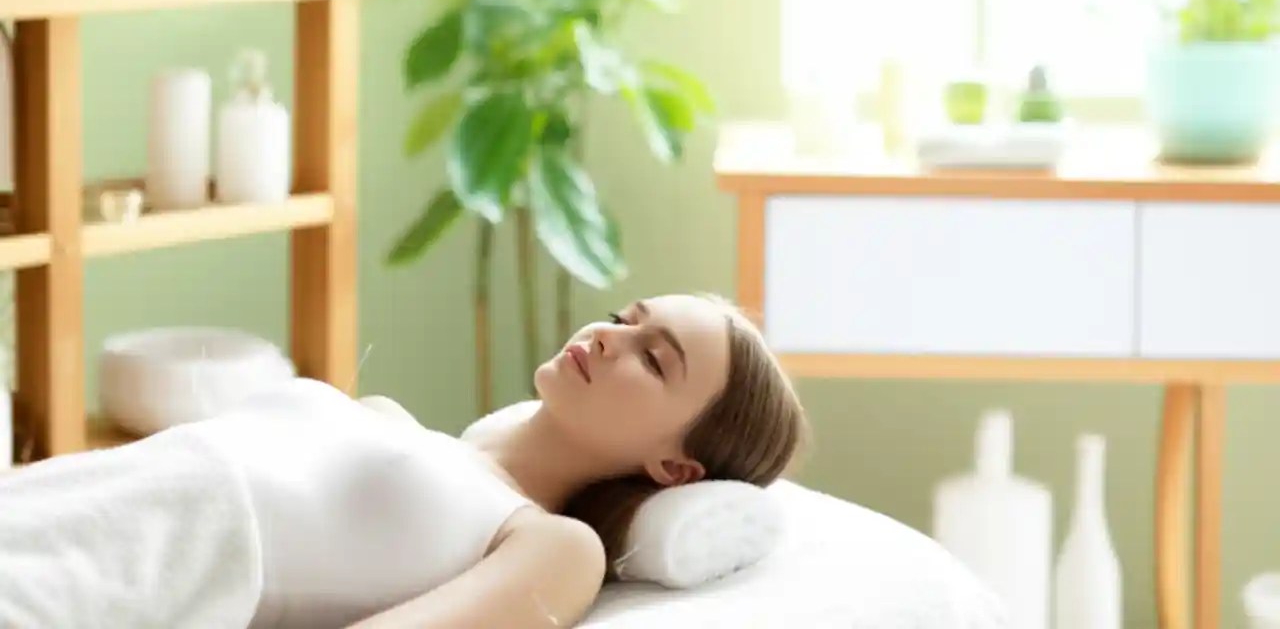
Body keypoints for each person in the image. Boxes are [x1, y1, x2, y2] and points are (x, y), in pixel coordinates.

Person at [0, 293, 806, 629]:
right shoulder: (395, 425)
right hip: (61, 505)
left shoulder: (557, 546)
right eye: (622, 319)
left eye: (653, 358)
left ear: (677, 470)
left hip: (116, 574)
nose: (606, 338)